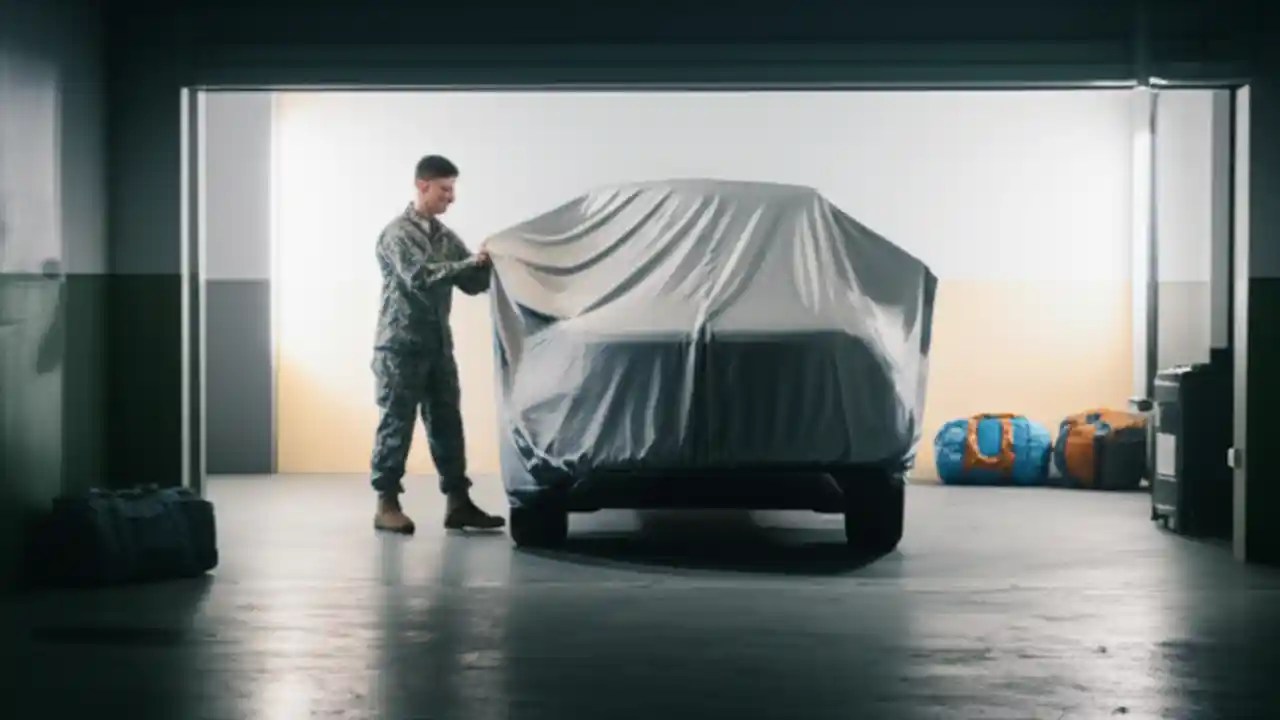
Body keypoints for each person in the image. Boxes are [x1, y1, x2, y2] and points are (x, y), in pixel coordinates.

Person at [369, 154, 504, 534]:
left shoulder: (444, 237)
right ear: (422, 185)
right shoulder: (397, 234)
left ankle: (459, 503)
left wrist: (494, 261)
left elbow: (473, 284)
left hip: (437, 347)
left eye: (452, 189)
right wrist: (469, 264)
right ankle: (386, 503)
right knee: (396, 424)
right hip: (399, 348)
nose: (451, 197)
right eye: (445, 189)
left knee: (447, 424)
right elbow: (418, 276)